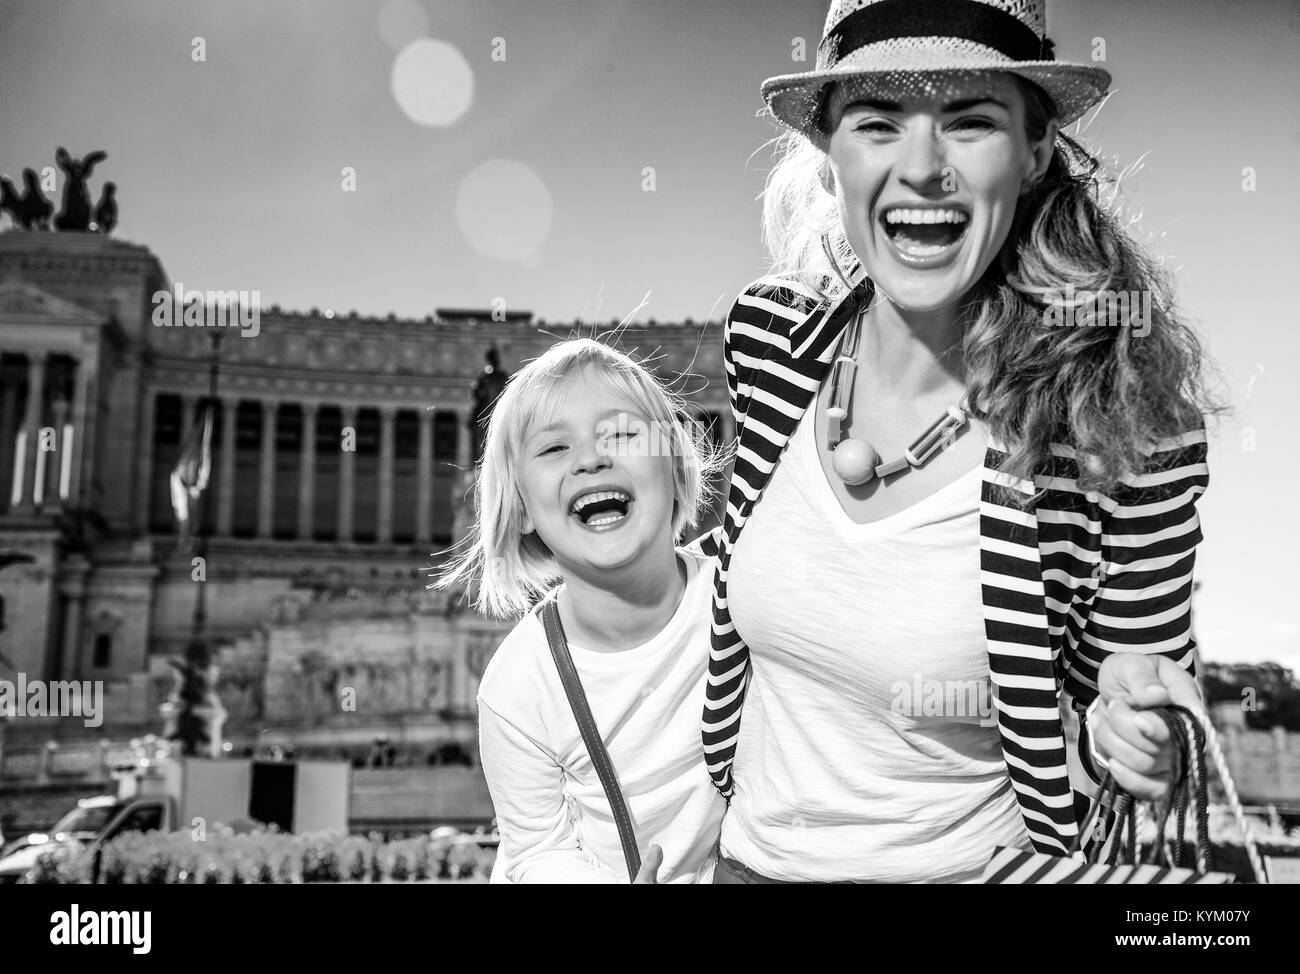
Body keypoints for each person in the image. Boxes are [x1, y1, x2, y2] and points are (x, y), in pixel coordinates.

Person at [703, 0, 1226, 882]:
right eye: (877, 123)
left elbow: (1133, 707)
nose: (922, 168)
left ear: (1035, 151)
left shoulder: (1129, 425)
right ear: (831, 156)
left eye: (970, 121)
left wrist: (1132, 734)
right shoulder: (770, 341)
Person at [435, 339, 728, 883]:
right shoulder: (516, 688)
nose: (591, 458)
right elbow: (538, 850)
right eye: (552, 449)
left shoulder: (746, 599)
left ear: (678, 470)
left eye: (621, 434)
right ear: (519, 508)